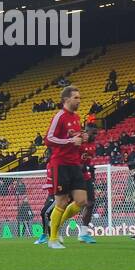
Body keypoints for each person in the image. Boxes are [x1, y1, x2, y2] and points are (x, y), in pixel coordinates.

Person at [44, 86, 90, 249]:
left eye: (79, 97)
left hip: (74, 163)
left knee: (81, 200)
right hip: (61, 163)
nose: (79, 100)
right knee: (61, 202)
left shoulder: (77, 118)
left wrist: (82, 138)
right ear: (66, 100)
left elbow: (73, 138)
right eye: (76, 97)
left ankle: (56, 223)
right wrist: (70, 141)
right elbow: (48, 139)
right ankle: (53, 239)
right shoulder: (59, 116)